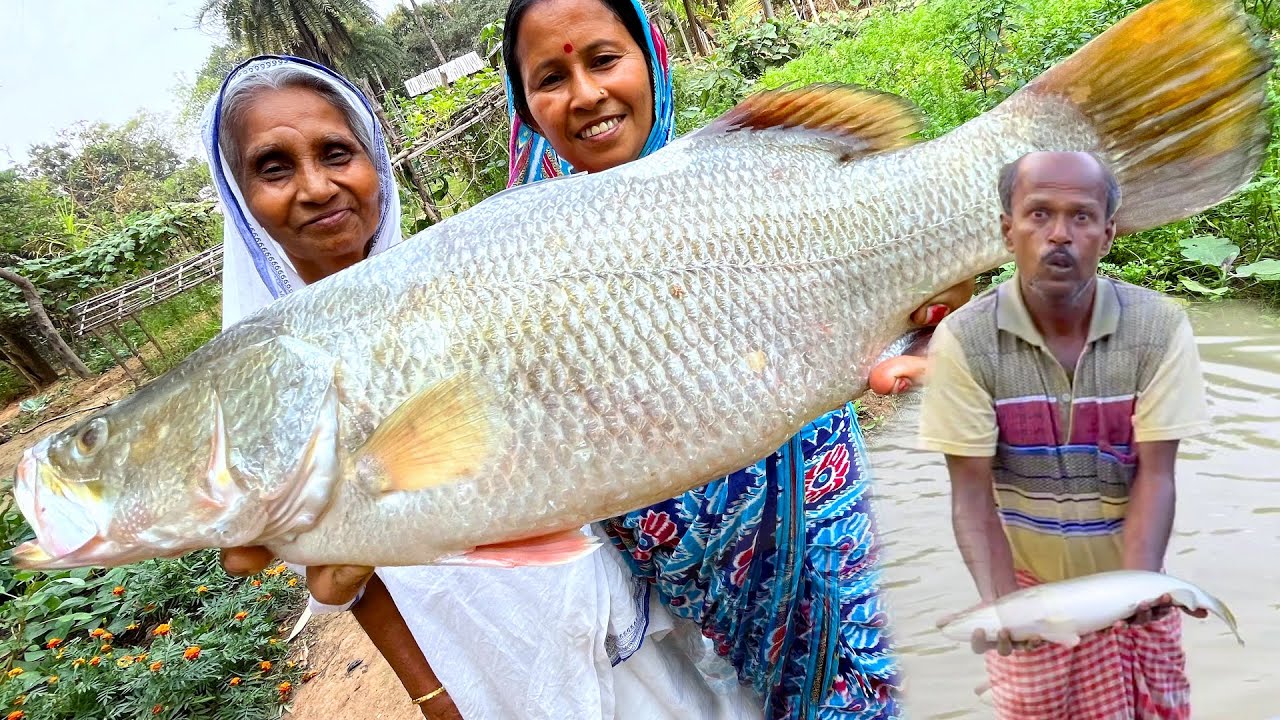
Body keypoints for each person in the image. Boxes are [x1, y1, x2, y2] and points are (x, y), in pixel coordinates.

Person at [204, 54, 766, 720]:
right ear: (240, 197)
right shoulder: (249, 396)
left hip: (602, 603)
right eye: (274, 167)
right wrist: (435, 696)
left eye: (337, 153)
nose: (317, 186)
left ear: (375, 164)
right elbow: (354, 589)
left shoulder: (472, 282)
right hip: (486, 662)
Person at [503, 0, 975, 717]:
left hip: (833, 565)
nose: (586, 94)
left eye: (602, 59)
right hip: (712, 612)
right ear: (526, 107)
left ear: (651, 57)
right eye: (550, 78)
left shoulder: (760, 182)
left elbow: (904, 307)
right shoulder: (515, 266)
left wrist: (927, 306)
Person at [917, 151, 1212, 719]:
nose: (1059, 234)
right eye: (1038, 214)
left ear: (1107, 234)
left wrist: (1140, 586)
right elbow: (972, 497)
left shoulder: (1158, 327)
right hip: (1027, 583)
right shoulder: (965, 340)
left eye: (1080, 217)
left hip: (1129, 569)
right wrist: (1002, 606)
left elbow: (1157, 473)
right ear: (1008, 231)